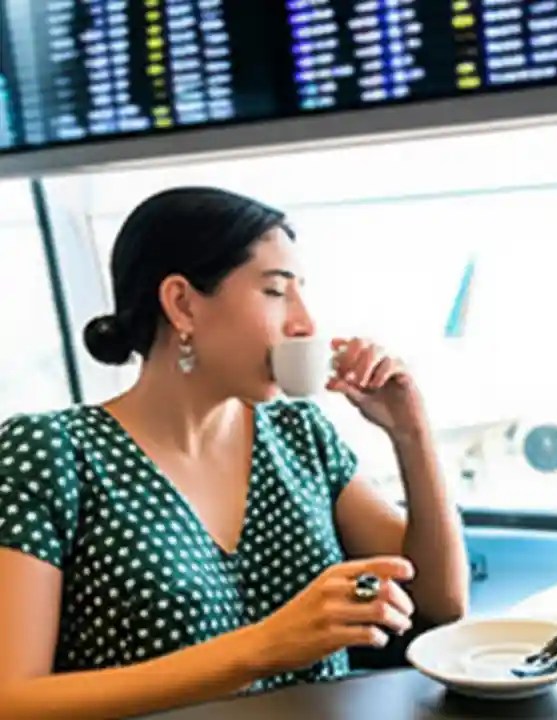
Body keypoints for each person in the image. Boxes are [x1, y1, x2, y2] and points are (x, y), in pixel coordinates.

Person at [0, 187, 469, 719]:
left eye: (301, 293)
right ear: (182, 304)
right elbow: (12, 700)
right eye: (275, 292)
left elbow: (439, 601)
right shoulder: (49, 453)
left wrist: (411, 431)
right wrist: (265, 647)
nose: (305, 323)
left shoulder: (299, 433)